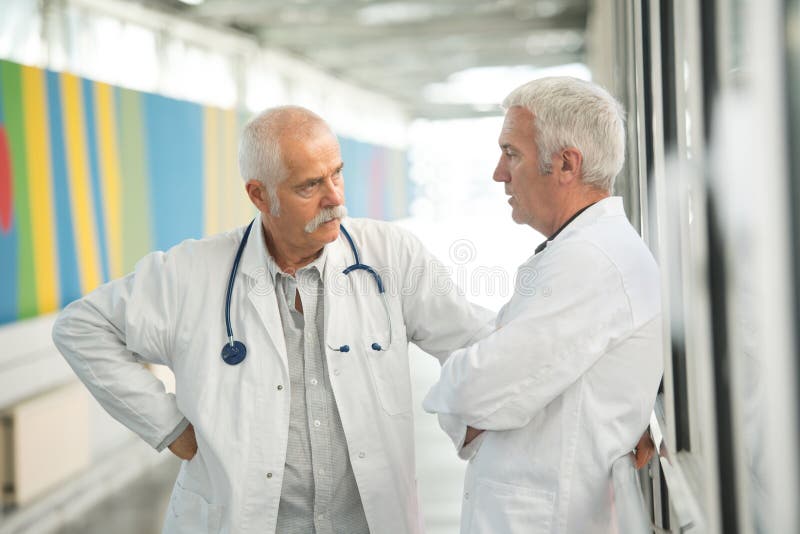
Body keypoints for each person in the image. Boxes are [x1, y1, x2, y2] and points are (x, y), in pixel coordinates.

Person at [52, 106, 494, 534]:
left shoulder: (390, 256)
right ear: (259, 195)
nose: (335, 198)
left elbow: (474, 339)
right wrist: (168, 427)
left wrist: (478, 420)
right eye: (310, 185)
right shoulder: (190, 274)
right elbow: (82, 326)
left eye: (337, 173)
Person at [423, 77, 664, 534]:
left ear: (566, 164)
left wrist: (467, 376)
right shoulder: (586, 250)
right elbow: (489, 389)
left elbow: (472, 392)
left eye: (511, 153)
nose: (499, 173)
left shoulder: (592, 261)